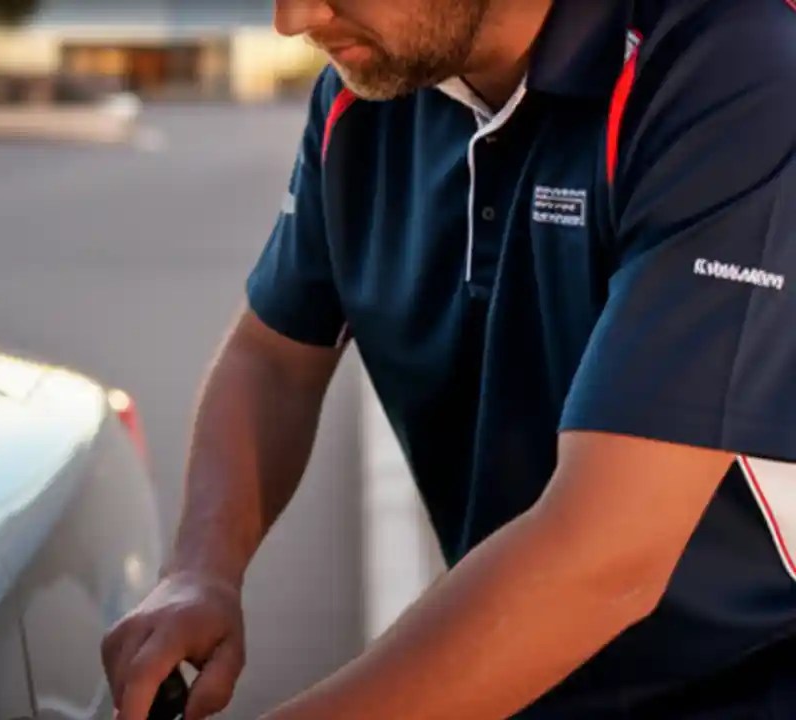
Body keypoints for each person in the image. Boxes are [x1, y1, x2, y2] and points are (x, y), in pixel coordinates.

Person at [101, 0, 796, 717]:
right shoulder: (370, 90)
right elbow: (274, 356)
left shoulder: (737, 70)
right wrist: (201, 569)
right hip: (508, 683)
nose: (292, 19)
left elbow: (607, 557)